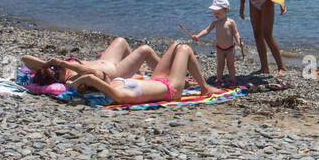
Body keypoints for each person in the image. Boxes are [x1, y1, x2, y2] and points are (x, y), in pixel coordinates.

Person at [65, 41, 210, 105]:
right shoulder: (118, 94)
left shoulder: (115, 83)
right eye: (103, 77)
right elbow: (90, 78)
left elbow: (90, 78)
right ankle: (204, 88)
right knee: (185, 49)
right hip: (171, 90)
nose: (106, 75)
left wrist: (73, 84)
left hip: (156, 80)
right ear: (100, 85)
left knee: (176, 45)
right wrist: (81, 81)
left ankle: (187, 80)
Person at [22, 37, 159, 85]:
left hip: (106, 60)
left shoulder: (59, 69)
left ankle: (138, 71)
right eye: (56, 74)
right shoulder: (71, 81)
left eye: (54, 69)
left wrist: (46, 65)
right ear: (58, 80)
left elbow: (25, 59)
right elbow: (92, 73)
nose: (57, 70)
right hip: (117, 72)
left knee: (120, 41)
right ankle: (167, 76)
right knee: (145, 50)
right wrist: (64, 64)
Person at [190, 0, 245, 87]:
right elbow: (206, 30)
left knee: (231, 65)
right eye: (214, 12)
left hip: (230, 48)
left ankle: (232, 80)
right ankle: (219, 79)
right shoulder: (215, 23)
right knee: (220, 65)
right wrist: (198, 36)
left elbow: (236, 33)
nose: (215, 14)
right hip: (219, 48)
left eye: (218, 12)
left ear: (226, 10)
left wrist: (239, 41)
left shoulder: (231, 22)